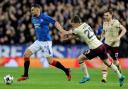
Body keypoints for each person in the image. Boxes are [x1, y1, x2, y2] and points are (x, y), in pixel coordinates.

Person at [62, 15, 125, 87]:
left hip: (95, 48)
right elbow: (78, 35)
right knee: (108, 63)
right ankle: (120, 76)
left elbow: (67, 32)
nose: (73, 26)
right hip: (101, 45)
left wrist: (62, 31)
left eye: (72, 24)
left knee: (80, 59)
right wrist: (68, 39)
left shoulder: (77, 29)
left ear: (76, 23)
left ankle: (86, 76)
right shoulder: (85, 24)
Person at [17, 4, 71, 81]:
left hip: (46, 42)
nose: (31, 11)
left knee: (51, 62)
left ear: (38, 10)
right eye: (31, 10)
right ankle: (26, 75)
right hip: (38, 41)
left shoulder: (44, 17)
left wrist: (63, 31)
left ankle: (66, 70)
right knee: (26, 55)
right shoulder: (33, 18)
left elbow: (55, 22)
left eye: (33, 10)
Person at [100, 9, 126, 83]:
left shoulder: (116, 22)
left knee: (116, 62)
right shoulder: (104, 23)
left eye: (107, 15)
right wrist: (100, 40)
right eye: (105, 15)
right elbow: (103, 33)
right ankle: (104, 78)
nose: (105, 16)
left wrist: (119, 37)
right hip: (106, 44)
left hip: (115, 45)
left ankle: (120, 76)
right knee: (104, 59)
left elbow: (124, 30)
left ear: (111, 15)